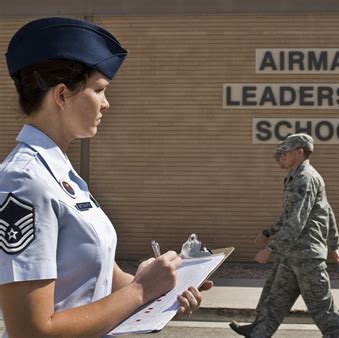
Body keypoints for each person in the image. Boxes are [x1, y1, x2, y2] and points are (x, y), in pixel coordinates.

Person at [0, 17, 211, 337]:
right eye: (99, 90)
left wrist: (166, 287)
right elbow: (31, 330)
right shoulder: (23, 182)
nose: (106, 103)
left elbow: (100, 281)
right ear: (61, 95)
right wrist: (140, 291)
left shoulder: (61, 175)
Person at [231, 133, 339, 338]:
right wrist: (269, 232)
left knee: (322, 309)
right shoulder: (295, 177)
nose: (280, 156)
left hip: (307, 256)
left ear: (299, 152)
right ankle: (258, 332)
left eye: (285, 152)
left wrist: (271, 249)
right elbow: (297, 214)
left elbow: (297, 220)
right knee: (274, 302)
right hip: (293, 255)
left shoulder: (306, 178)